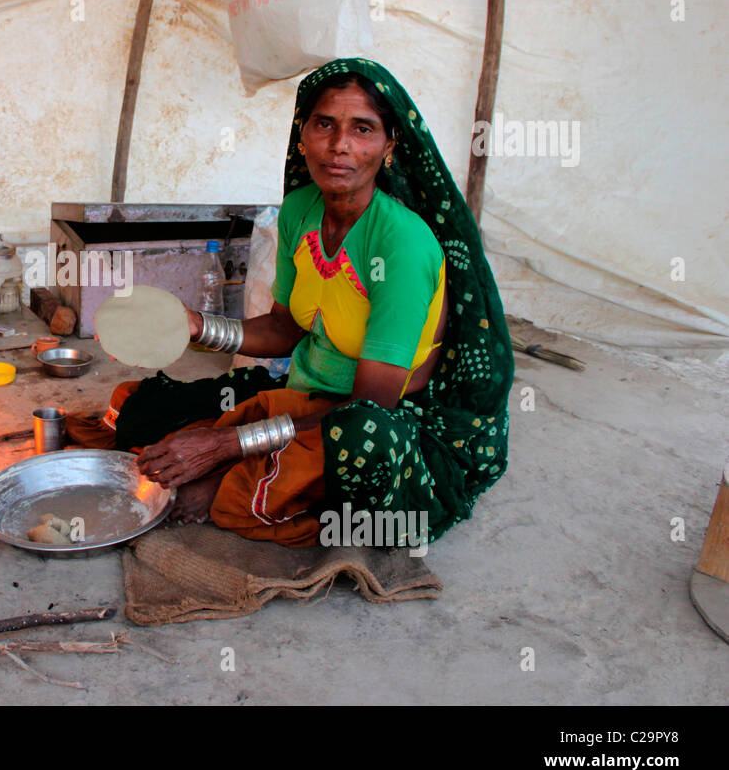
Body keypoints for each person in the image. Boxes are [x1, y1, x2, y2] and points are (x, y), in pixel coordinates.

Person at [127, 58, 514, 546]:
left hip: (380, 417)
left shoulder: (402, 244)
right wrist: (196, 326)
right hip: (303, 393)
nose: (340, 146)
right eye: (324, 124)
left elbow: (369, 403)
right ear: (302, 134)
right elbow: (284, 330)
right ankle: (247, 468)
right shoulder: (299, 211)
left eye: (363, 129)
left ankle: (246, 481)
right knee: (140, 414)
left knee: (358, 440)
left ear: (390, 146)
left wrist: (224, 444)